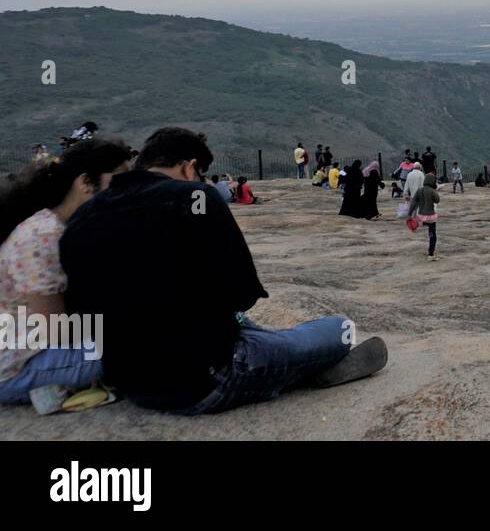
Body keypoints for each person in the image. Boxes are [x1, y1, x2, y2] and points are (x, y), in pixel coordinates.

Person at [59, 127, 387, 414]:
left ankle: (287, 356)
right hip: (207, 380)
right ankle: (304, 369)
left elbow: (82, 314)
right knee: (339, 330)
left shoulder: (80, 219)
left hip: (130, 384)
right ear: (190, 168)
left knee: (251, 331)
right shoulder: (194, 197)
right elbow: (242, 294)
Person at [0, 138, 134, 405]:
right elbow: (54, 331)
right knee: (153, 346)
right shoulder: (42, 238)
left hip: (34, 347)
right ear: (85, 183)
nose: (129, 192)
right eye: (120, 183)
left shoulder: (62, 226)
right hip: (17, 364)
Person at [405, 172, 441, 260]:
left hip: (420, 215)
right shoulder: (432, 191)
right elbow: (437, 200)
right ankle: (431, 254)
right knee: (433, 234)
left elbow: (413, 203)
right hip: (430, 216)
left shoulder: (419, 190)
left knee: (426, 226)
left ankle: (418, 225)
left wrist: (409, 214)